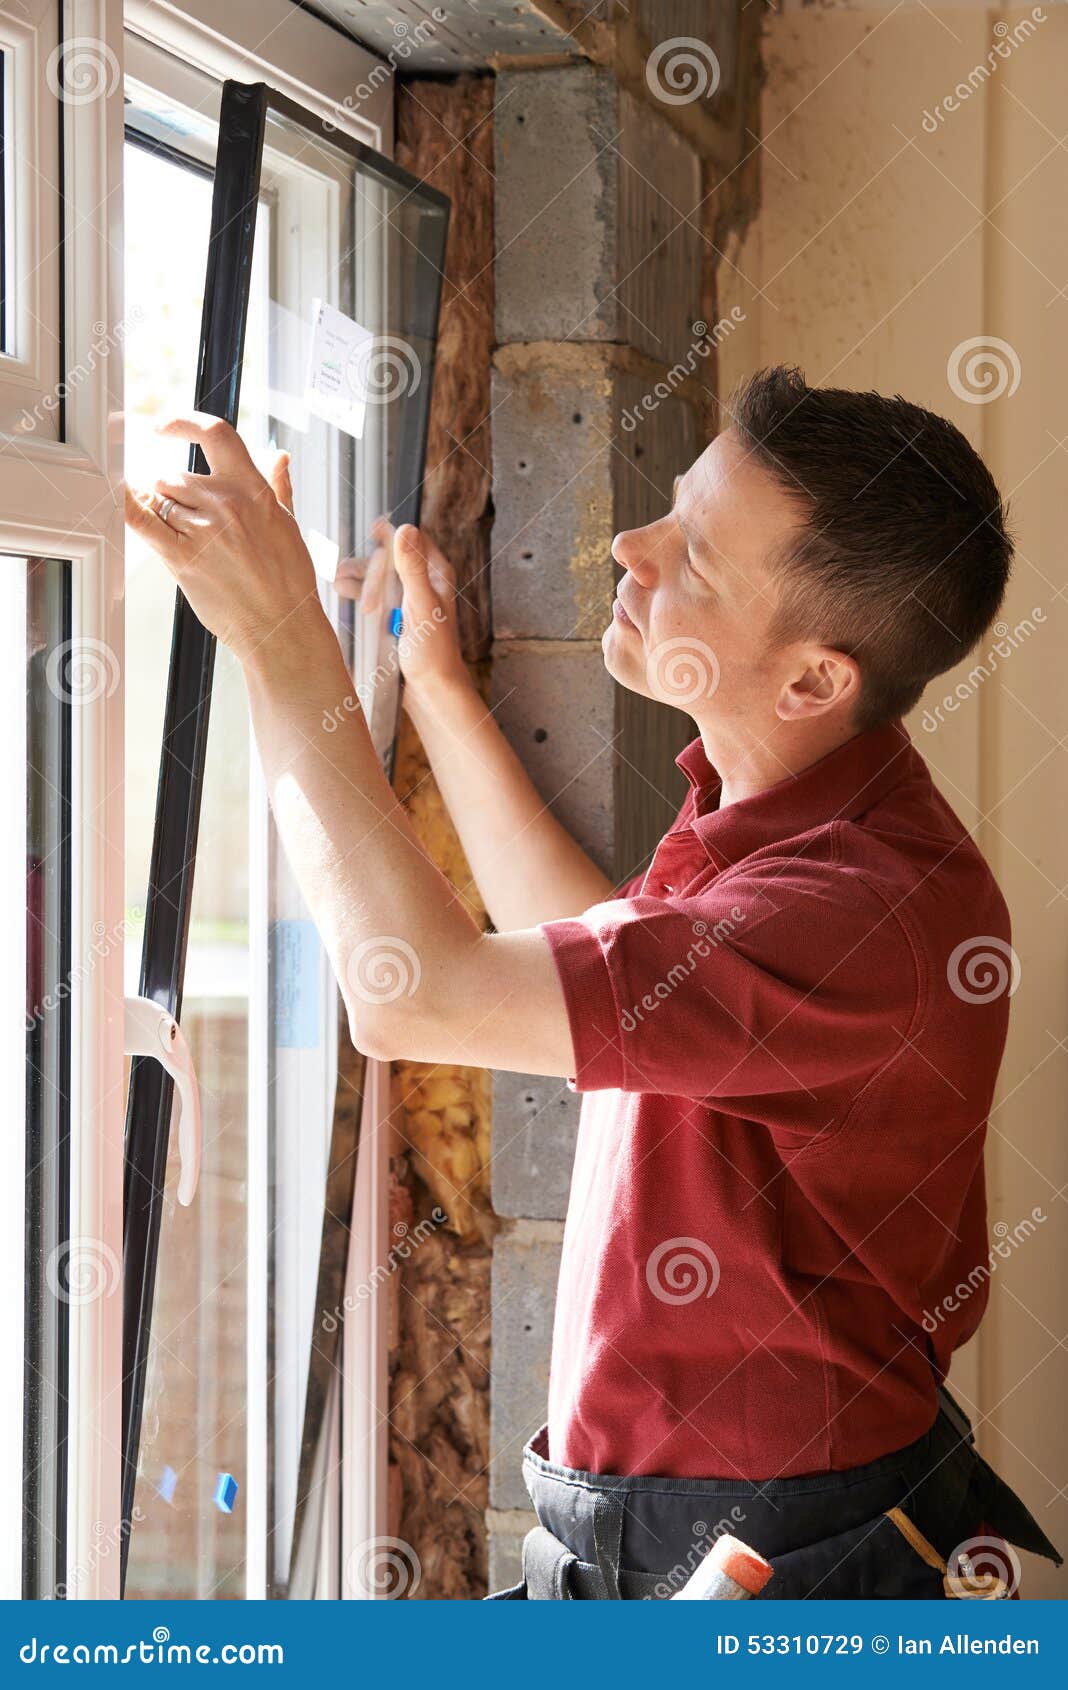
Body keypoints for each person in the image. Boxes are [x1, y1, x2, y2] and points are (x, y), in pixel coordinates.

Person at [126, 364, 1061, 1600]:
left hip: (768, 1567)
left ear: (813, 681)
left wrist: (277, 634)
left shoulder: (857, 910)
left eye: (697, 559)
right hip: (673, 1531)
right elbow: (585, 951)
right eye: (673, 506)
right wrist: (440, 691)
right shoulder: (787, 814)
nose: (633, 545)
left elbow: (418, 996)